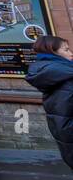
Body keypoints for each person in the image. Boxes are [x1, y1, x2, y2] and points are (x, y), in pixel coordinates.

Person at [27, 35, 73, 172]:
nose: (71, 53)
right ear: (53, 52)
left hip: (62, 130)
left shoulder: (54, 73)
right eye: (66, 50)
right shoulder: (67, 75)